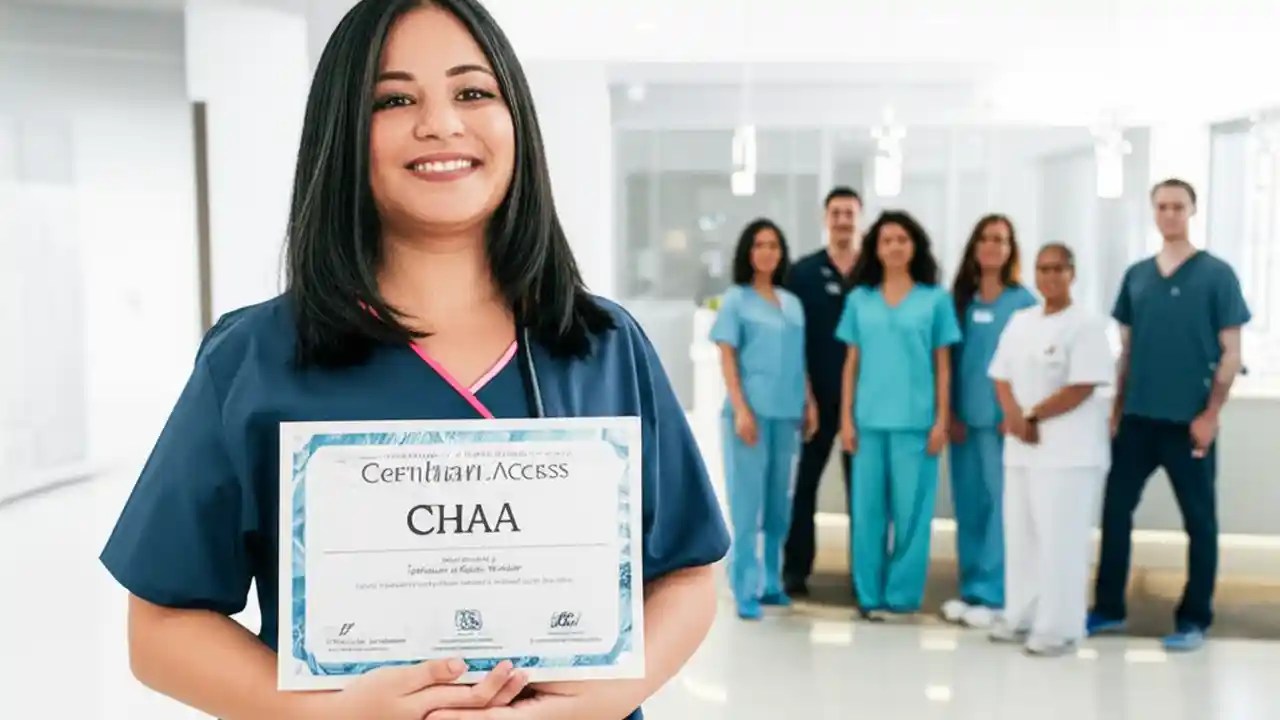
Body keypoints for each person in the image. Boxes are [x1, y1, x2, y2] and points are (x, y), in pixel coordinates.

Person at [97, 2, 731, 719]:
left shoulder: (603, 344)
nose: (441, 124)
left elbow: (686, 575)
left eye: (472, 92)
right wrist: (326, 715)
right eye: (394, 99)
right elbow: (160, 629)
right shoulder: (254, 359)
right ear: (343, 132)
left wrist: (595, 702)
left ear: (515, 117)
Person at [1089, 178, 1250, 652]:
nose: (1170, 214)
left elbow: (1231, 353)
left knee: (1200, 521)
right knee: (1115, 512)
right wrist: (1117, 410)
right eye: (1162, 206)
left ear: (1192, 211)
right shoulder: (1137, 276)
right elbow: (1127, 350)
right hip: (1138, 420)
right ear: (1153, 213)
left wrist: (1211, 414)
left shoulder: (1217, 275)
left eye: (1178, 207)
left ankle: (1194, 618)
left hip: (1189, 422)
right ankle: (1108, 609)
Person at [986, 243, 1113, 656]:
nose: (1050, 277)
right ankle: (1021, 613)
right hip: (1022, 450)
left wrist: (1032, 415)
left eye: (1058, 269)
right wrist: (1014, 416)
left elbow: (1082, 385)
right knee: (1021, 534)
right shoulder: (1021, 321)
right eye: (1043, 269)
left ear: (1072, 274)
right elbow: (1000, 375)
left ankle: (1060, 627)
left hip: (1068, 455)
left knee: (1060, 539)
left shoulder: (1086, 325)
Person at [836, 210, 961, 618]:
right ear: (875, 247)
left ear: (915, 247)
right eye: (886, 240)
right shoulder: (860, 300)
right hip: (868, 422)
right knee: (868, 515)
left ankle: (902, 597)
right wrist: (846, 419)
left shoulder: (935, 301)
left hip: (916, 423)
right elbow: (851, 363)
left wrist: (942, 419)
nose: (894, 247)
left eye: (902, 240)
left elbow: (943, 365)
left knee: (912, 516)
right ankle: (869, 595)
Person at [711, 219, 818, 620]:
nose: (767, 252)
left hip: (787, 414)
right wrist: (740, 408)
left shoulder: (792, 303)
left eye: (774, 245)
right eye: (759, 245)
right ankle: (744, 588)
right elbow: (727, 356)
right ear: (748, 252)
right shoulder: (736, 300)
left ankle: (771, 583)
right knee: (747, 505)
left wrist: (809, 401)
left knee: (778, 506)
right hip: (749, 417)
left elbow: (798, 358)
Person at [942, 215, 1037, 629]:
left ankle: (996, 592)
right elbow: (947, 363)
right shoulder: (959, 301)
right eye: (985, 238)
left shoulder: (1023, 303)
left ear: (1011, 249)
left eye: (1000, 239)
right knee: (970, 506)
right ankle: (971, 590)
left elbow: (1032, 365)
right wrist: (949, 413)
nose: (992, 246)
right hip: (965, 422)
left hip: (1003, 425)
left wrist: (1016, 411)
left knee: (1002, 508)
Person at [782, 186, 861, 598]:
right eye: (836, 213)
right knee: (804, 487)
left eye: (849, 213)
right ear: (825, 218)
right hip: (814, 400)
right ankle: (795, 570)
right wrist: (806, 396)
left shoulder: (873, 270)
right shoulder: (803, 273)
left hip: (863, 403)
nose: (843, 220)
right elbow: (795, 339)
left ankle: (863, 575)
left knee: (863, 493)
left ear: (859, 217)